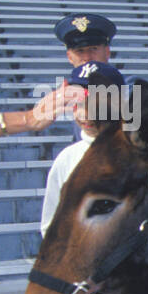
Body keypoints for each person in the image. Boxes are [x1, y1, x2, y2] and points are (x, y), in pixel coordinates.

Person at [40, 62, 127, 233]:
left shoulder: (139, 154)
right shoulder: (67, 158)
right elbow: (50, 225)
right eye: (78, 104)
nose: (85, 114)